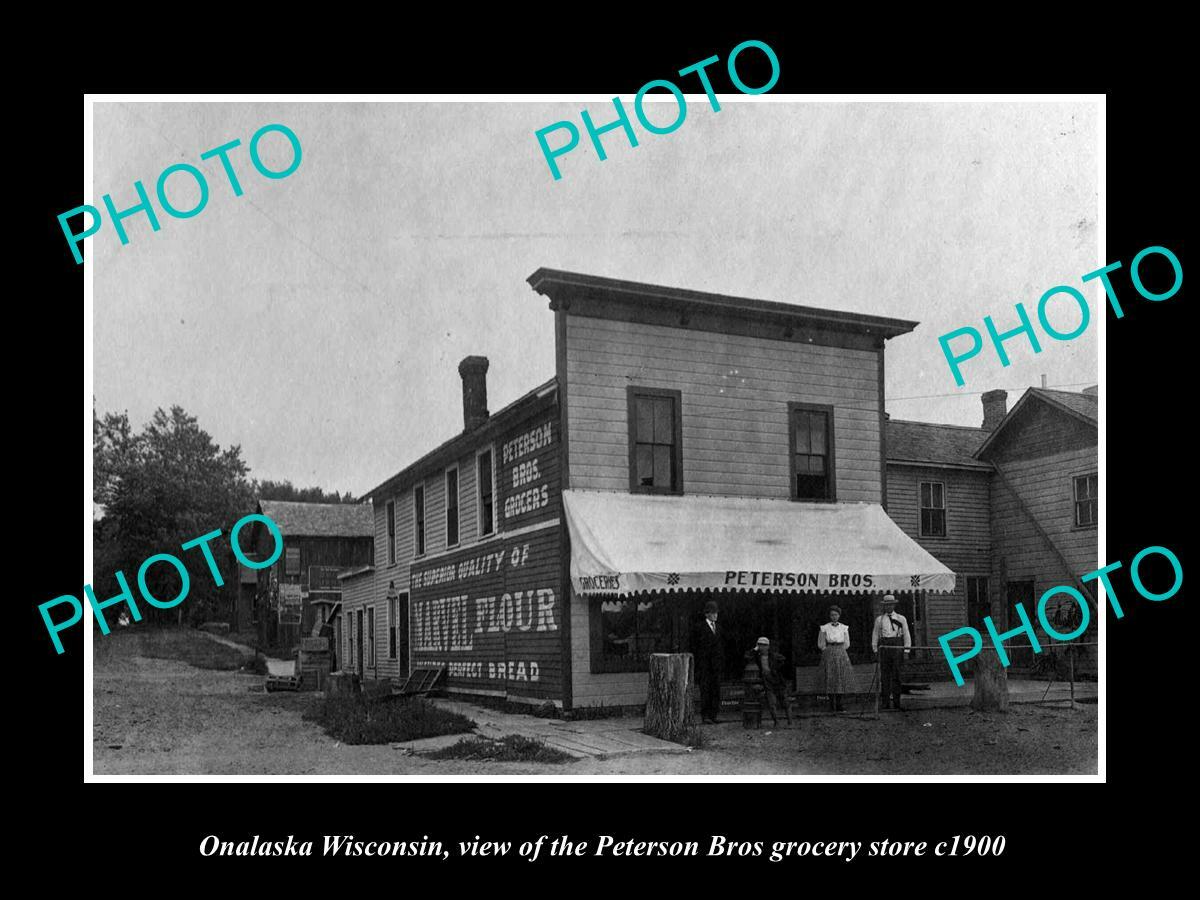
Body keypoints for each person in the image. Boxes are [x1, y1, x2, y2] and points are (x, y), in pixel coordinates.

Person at [871, 594, 912, 710]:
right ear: (884, 606)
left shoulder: (901, 618)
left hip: (897, 646)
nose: (889, 607)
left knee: (896, 675)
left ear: (894, 605)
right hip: (884, 647)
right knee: (885, 676)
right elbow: (875, 635)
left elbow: (906, 634)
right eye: (887, 605)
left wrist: (906, 650)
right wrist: (875, 649)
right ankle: (885, 702)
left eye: (891, 605)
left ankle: (897, 702)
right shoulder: (879, 620)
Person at [744, 637, 793, 727]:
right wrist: (754, 649)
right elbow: (747, 656)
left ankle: (790, 722)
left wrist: (777, 670)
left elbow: (784, 661)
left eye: (764, 645)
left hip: (778, 681)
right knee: (772, 703)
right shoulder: (758, 656)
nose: (761, 647)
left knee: (785, 702)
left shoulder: (774, 656)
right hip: (767, 683)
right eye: (760, 645)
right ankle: (776, 722)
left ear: (768, 646)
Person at [816, 605, 853, 712]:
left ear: (839, 616)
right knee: (831, 677)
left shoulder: (844, 627)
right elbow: (821, 643)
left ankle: (839, 704)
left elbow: (847, 643)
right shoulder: (824, 627)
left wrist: (840, 650)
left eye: (836, 615)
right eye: (832, 615)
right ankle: (832, 704)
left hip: (841, 652)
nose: (834, 617)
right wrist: (828, 650)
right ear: (829, 616)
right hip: (829, 652)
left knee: (840, 677)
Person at [692, 600, 724, 723]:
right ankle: (705, 716)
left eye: (716, 613)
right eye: (713, 613)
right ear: (707, 614)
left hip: (716, 665)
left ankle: (713, 715)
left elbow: (721, 646)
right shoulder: (699, 628)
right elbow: (696, 646)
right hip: (704, 665)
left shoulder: (719, 628)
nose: (715, 615)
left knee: (716, 690)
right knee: (705, 690)